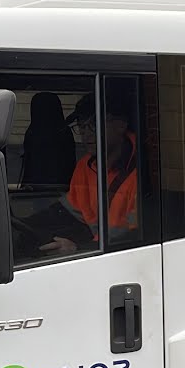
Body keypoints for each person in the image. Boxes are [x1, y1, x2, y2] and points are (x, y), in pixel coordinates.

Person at [38, 89, 139, 254]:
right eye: (81, 126)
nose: (86, 133)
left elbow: (136, 237)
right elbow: (70, 213)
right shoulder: (85, 166)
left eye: (94, 124)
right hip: (96, 251)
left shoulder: (142, 172)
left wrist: (79, 250)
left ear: (121, 124)